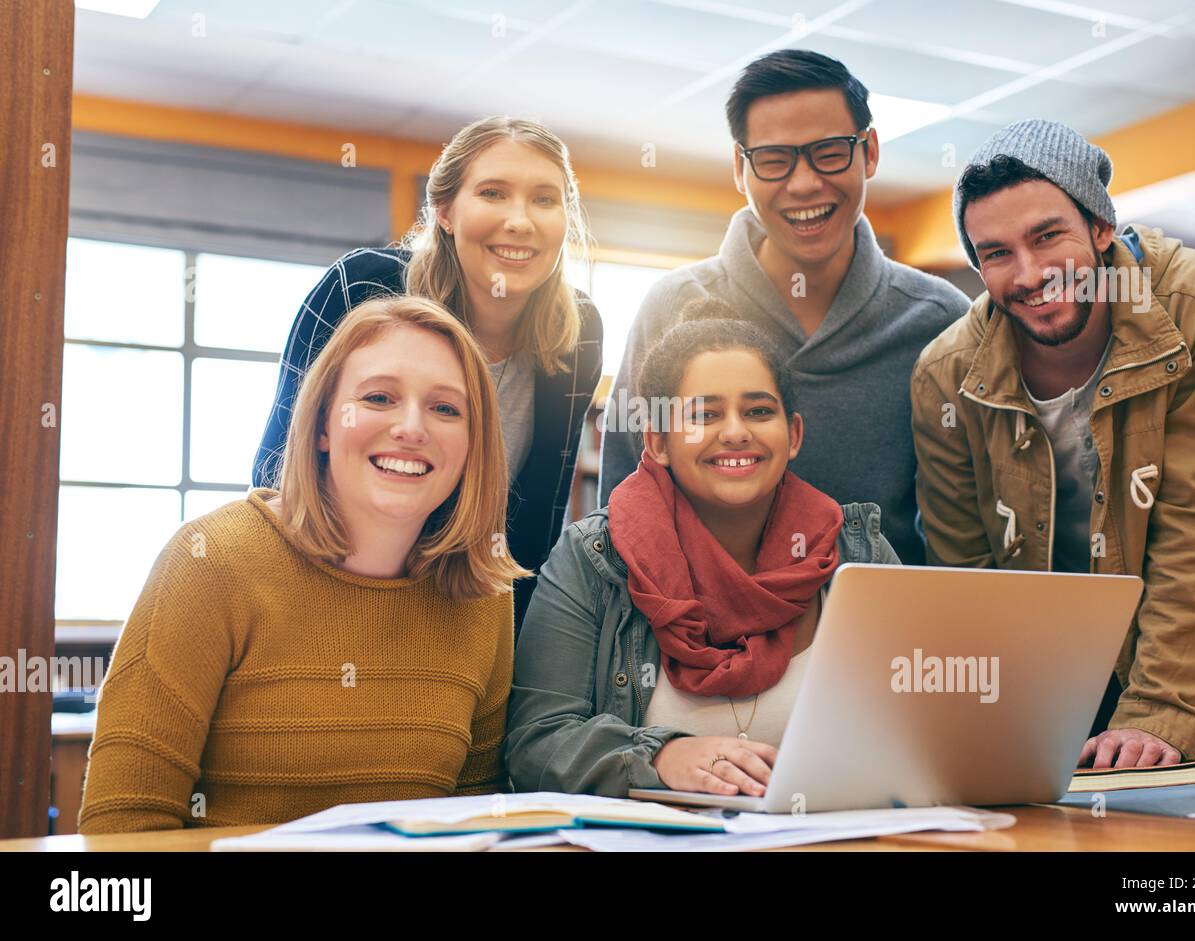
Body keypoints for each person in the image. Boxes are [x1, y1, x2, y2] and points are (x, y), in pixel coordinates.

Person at [910, 119, 1195, 769]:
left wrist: (1155, 710)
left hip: (1192, 682)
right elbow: (965, 569)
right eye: (996, 253)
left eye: (1047, 236)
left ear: (1101, 228)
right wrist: (996, 717)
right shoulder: (945, 374)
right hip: (1044, 692)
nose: (1029, 273)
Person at [80, 296, 526, 833]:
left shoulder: (483, 596)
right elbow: (121, 830)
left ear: (473, 444)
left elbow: (474, 820)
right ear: (320, 426)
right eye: (379, 397)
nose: (412, 427)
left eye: (446, 408)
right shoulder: (209, 562)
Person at [507, 299, 900, 797]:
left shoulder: (860, 554)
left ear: (793, 434)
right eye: (703, 414)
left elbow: (923, 724)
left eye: (759, 411)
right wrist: (660, 755)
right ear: (659, 442)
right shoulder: (592, 558)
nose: (735, 432)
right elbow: (535, 743)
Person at [598, 49, 968, 565]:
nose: (804, 183)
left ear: (871, 152)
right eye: (775, 159)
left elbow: (959, 529)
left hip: (882, 635)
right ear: (739, 168)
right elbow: (624, 502)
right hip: (696, 635)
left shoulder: (939, 320)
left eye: (830, 151)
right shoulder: (674, 307)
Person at [253, 116, 602, 632]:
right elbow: (279, 472)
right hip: (321, 592)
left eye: (545, 200)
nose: (521, 221)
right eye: (493, 193)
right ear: (444, 210)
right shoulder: (360, 289)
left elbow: (535, 526)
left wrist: (509, 670)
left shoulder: (578, 334)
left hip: (462, 614)